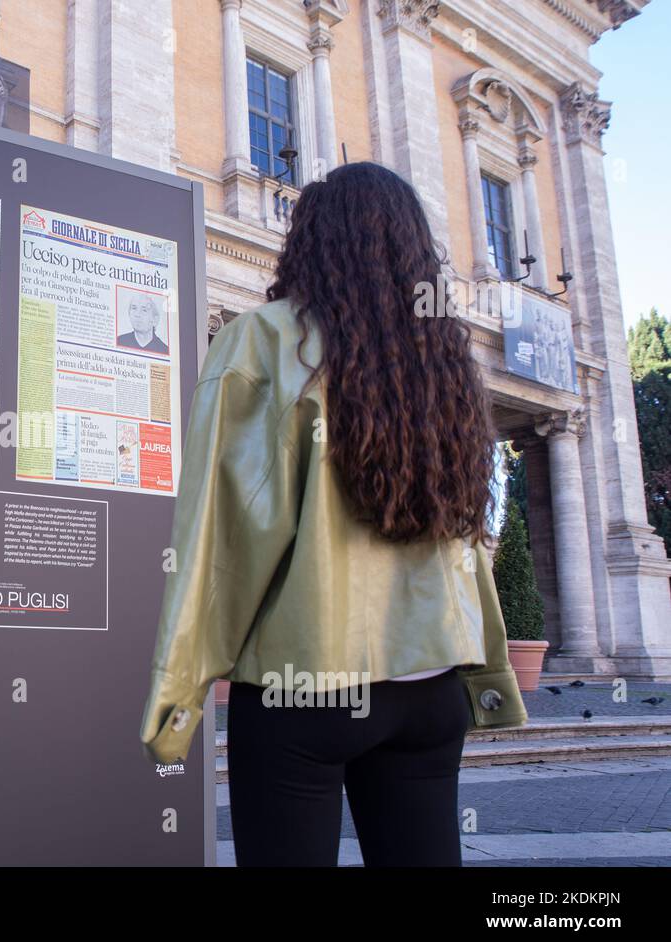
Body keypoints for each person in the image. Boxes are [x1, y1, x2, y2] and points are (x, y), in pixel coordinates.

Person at [139, 161, 528, 867]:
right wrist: (488, 669)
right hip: (431, 686)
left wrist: (178, 696)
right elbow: (465, 537)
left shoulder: (264, 341)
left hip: (306, 684)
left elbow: (222, 536)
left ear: (311, 241)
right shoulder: (442, 360)